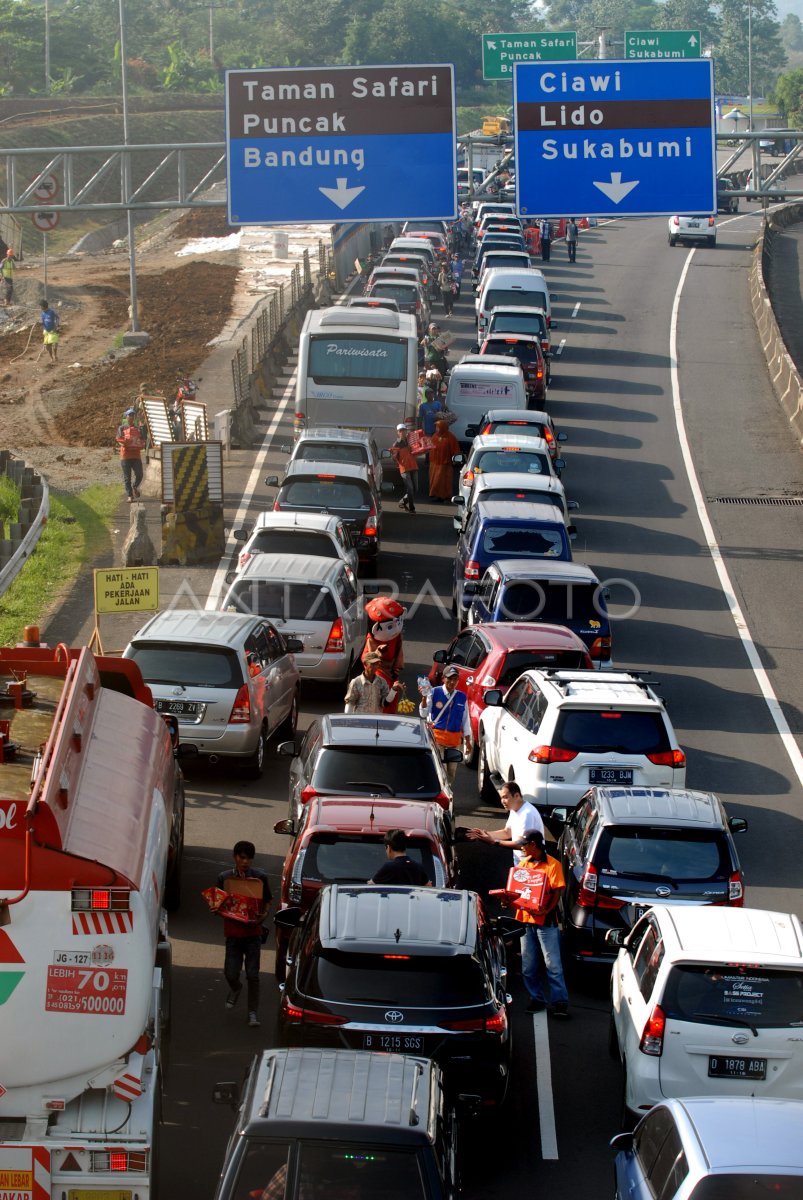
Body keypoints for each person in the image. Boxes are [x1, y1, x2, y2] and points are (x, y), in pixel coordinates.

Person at [214, 840, 272, 1028]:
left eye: (249, 858)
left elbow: (268, 901)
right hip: (233, 934)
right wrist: (216, 908)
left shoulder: (260, 878)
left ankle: (252, 1013)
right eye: (242, 857)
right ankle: (236, 988)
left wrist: (263, 915)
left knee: (253, 975)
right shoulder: (224, 878)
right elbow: (217, 903)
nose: (245, 862)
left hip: (253, 934)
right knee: (231, 973)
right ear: (235, 857)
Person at [513, 830, 570, 1018]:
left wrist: (546, 910)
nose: (521, 847)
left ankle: (560, 1002)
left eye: (524, 844)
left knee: (552, 964)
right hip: (526, 921)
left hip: (546, 923)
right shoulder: (523, 865)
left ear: (534, 845)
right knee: (528, 965)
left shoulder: (553, 865)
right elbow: (517, 891)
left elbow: (557, 892)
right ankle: (536, 998)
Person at [465, 781, 544, 864]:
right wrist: (483, 834)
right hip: (521, 861)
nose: (502, 801)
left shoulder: (527, 814)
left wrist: (494, 841)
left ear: (516, 796)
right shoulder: (514, 809)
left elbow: (523, 844)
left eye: (505, 797)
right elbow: (507, 832)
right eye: (501, 798)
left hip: (533, 864)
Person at [419, 665, 472, 785]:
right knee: (440, 771)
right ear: (443, 678)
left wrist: (468, 742)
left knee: (451, 773)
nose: (452, 682)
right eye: (449, 679)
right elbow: (423, 713)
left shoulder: (461, 697)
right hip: (437, 740)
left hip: (454, 742)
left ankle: (447, 794)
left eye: (455, 679)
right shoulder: (433, 692)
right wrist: (423, 698)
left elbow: (465, 721)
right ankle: (441, 794)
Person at [115, 407, 145, 502]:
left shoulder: (138, 428)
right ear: (126, 416)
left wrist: (141, 443)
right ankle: (130, 496)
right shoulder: (121, 428)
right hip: (125, 455)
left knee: (139, 474)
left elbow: (143, 439)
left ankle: (135, 486)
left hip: (136, 455)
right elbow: (118, 440)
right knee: (127, 477)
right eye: (130, 415)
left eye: (133, 415)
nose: (131, 417)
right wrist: (124, 443)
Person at [428, 419, 460, 502]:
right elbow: (430, 447)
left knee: (444, 481)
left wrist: (455, 460)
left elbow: (456, 450)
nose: (436, 429)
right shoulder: (435, 436)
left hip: (445, 463)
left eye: (438, 427)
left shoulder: (451, 437)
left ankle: (445, 496)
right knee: (435, 480)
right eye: (436, 427)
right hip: (434, 463)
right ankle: (435, 495)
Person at [391, 423, 418, 513]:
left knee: (415, 488)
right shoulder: (396, 444)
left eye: (404, 430)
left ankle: (402, 502)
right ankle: (411, 507)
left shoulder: (410, 440)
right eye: (400, 431)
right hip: (404, 469)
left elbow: (416, 450)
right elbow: (393, 458)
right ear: (398, 432)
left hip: (413, 466)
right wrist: (394, 457)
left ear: (406, 431)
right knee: (410, 488)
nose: (402, 432)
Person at [39, 299, 60, 363]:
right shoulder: (42, 314)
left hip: (53, 330)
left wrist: (56, 326)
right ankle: (51, 358)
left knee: (54, 345)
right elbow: (42, 322)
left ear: (44, 306)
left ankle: (55, 355)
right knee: (48, 347)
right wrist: (42, 326)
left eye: (41, 306)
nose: (40, 307)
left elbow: (58, 318)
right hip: (46, 331)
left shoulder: (51, 312)